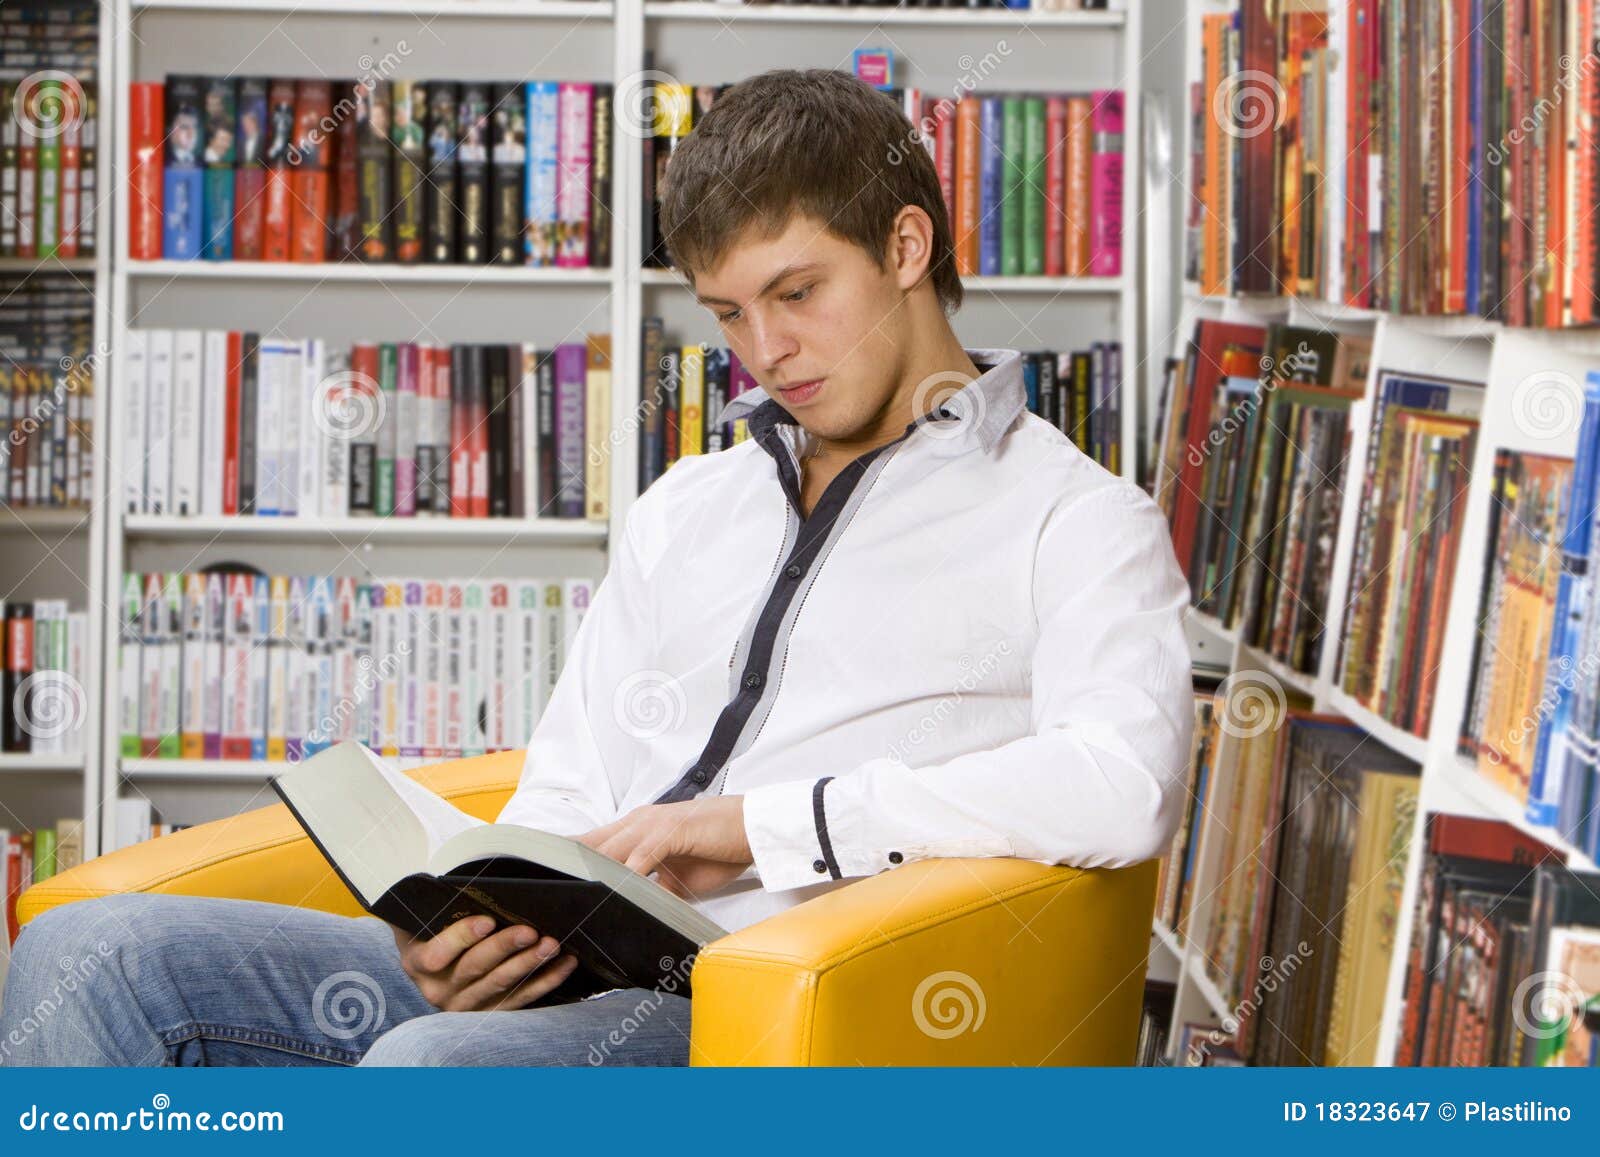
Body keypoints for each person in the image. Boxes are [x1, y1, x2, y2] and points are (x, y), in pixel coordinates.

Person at [0, 68, 1192, 1068]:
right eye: (726, 314)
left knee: (430, 1066)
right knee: (80, 952)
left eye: (796, 293)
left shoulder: (1073, 518)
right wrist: (470, 928)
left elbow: (1120, 779)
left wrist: (764, 825)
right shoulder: (689, 504)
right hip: (570, 970)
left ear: (906, 244)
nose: (766, 351)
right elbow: (568, 785)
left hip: (769, 1009)